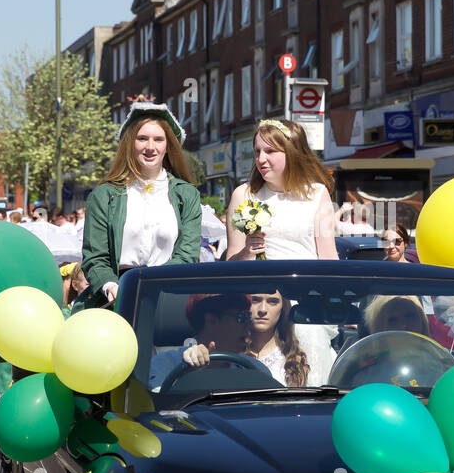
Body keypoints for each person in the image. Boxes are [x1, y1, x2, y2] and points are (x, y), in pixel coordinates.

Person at [82, 100, 203, 308]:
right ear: (130, 143)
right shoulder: (104, 195)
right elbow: (95, 257)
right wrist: (110, 285)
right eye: (142, 139)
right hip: (117, 297)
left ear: (168, 146)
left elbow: (188, 254)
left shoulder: (187, 194)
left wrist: (152, 284)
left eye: (158, 139)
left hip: (168, 295)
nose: (150, 147)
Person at [227, 119, 337, 261]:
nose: (260, 159)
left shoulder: (317, 193)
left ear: (293, 153)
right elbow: (231, 262)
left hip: (305, 280)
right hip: (261, 281)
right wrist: (247, 252)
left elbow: (328, 257)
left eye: (270, 151)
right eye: (257, 151)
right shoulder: (243, 194)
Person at [148, 292, 267, 390]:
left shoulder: (255, 369)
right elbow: (161, 408)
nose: (249, 325)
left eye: (248, 316)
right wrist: (190, 375)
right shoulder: (163, 364)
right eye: (242, 317)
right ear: (212, 320)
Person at [246, 290, 317, 386]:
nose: (262, 309)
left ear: (283, 309)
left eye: (273, 301)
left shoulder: (295, 360)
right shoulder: (230, 351)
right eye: (255, 300)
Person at [364, 294, 431, 336]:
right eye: (393, 320)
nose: (403, 326)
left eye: (410, 316)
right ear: (379, 328)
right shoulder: (366, 358)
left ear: (422, 320)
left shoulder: (436, 357)